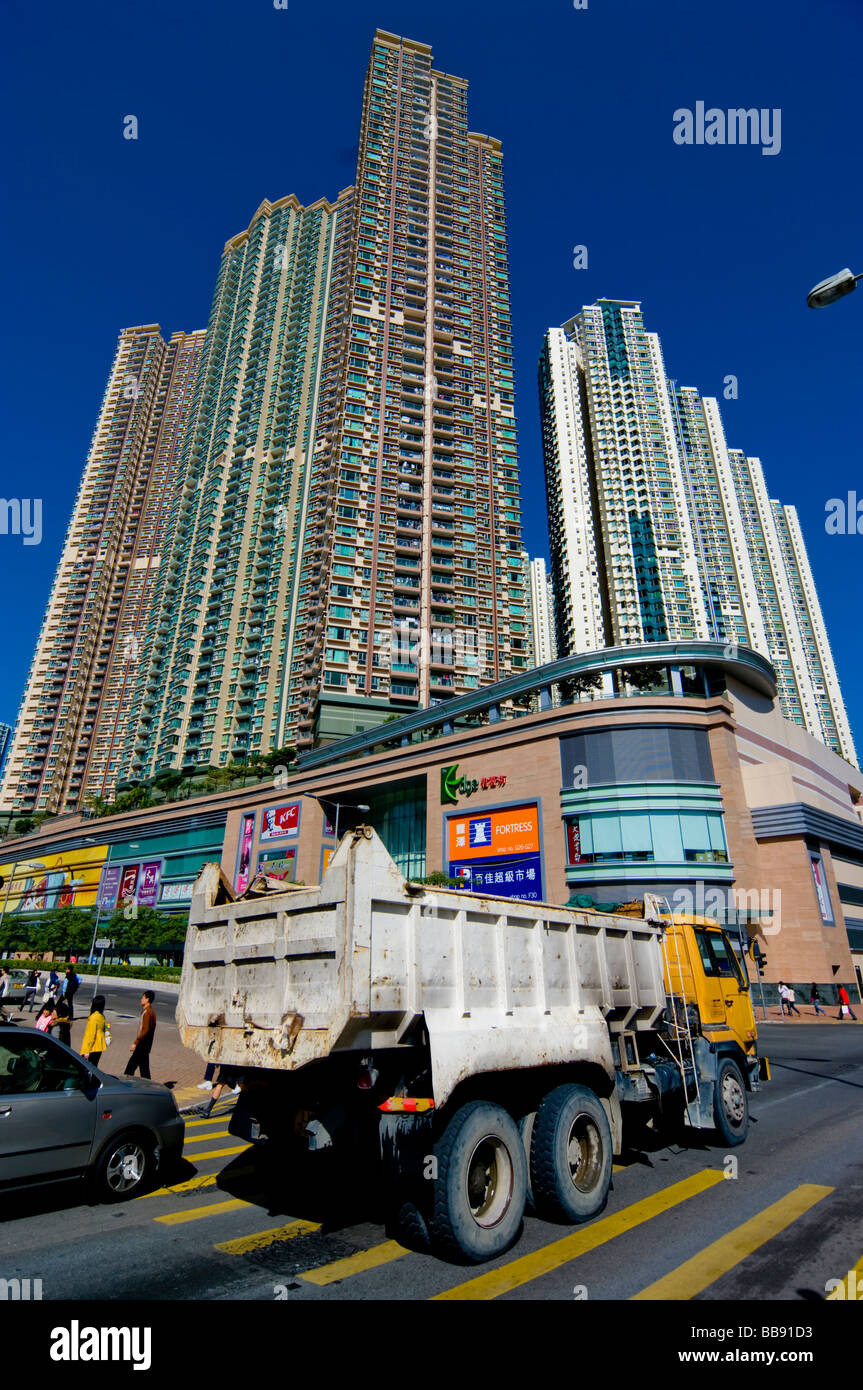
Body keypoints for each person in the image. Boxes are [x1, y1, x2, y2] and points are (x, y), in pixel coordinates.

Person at [125, 991, 157, 1079]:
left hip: (142, 1045)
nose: (141, 999)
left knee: (130, 1068)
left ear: (147, 999)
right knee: (144, 1070)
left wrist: (135, 1042)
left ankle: (126, 1084)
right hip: (146, 1045)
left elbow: (145, 1029)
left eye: (143, 998)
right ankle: (148, 1086)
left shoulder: (147, 1013)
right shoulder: (152, 1012)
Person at [80, 994, 107, 1068]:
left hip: (92, 1048)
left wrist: (86, 1051)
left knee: (86, 1069)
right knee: (94, 1068)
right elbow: (105, 1029)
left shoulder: (93, 1018)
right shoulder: (101, 1016)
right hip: (99, 1047)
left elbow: (90, 1036)